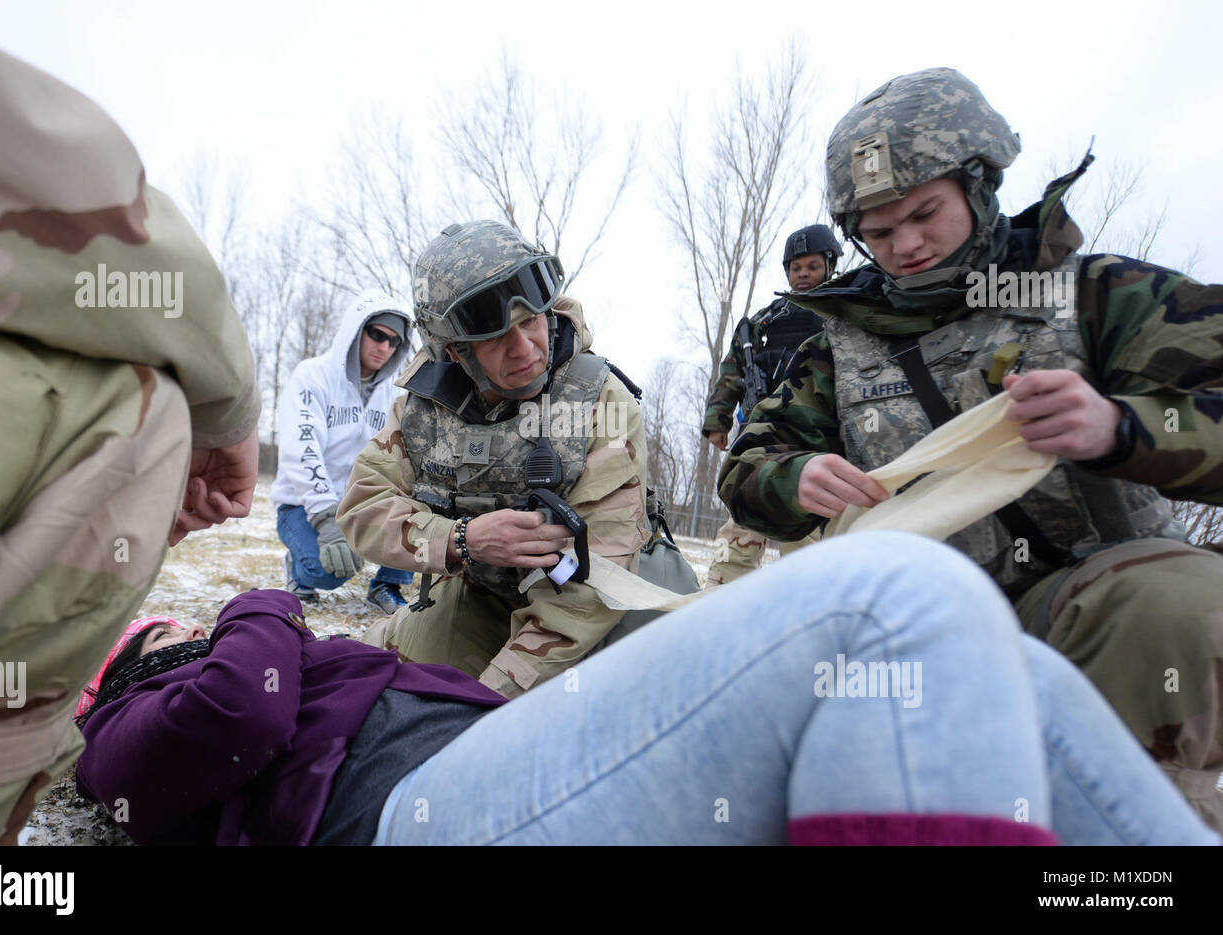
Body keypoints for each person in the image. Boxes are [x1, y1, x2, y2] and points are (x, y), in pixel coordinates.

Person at [719, 66, 1223, 829]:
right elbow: (751, 463)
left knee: (1170, 602)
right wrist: (797, 477)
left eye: (925, 213)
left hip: (1084, 614)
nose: (907, 246)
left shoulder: (1095, 296)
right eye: (878, 233)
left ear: (979, 187)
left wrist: (1123, 427)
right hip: (915, 629)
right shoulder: (841, 342)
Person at [72, 532, 1218, 845]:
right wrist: (253, 603)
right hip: (406, 818)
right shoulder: (115, 735)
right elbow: (237, 711)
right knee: (892, 599)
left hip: (513, 771)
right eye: (122, 627)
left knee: (1011, 671)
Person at [0, 1, 259, 844]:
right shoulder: (125, 738)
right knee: (139, 405)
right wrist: (264, 617)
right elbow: (83, 218)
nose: (189, 629)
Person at [337, 220, 668, 700]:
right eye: (496, 337)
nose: (526, 349)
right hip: (484, 592)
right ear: (456, 351)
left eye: (531, 321)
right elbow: (364, 506)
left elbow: (594, 589)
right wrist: (461, 540)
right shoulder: (424, 408)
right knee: (397, 694)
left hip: (606, 595)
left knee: (627, 706)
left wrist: (489, 702)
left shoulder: (601, 403)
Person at [702, 225, 841, 587]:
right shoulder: (764, 322)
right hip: (760, 442)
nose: (804, 275)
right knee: (737, 533)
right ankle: (716, 604)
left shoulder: (842, 313)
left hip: (813, 442)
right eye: (796, 269)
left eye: (812, 266)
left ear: (830, 265)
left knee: (807, 544)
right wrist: (718, 419)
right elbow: (732, 371)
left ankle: (807, 616)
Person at [270, 290, 417, 612]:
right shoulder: (312, 376)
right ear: (356, 329)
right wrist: (326, 518)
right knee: (330, 571)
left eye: (394, 341)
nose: (385, 347)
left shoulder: (397, 393)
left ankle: (387, 584)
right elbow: (302, 450)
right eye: (377, 334)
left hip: (363, 502)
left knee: (421, 490)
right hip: (303, 505)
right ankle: (299, 570)